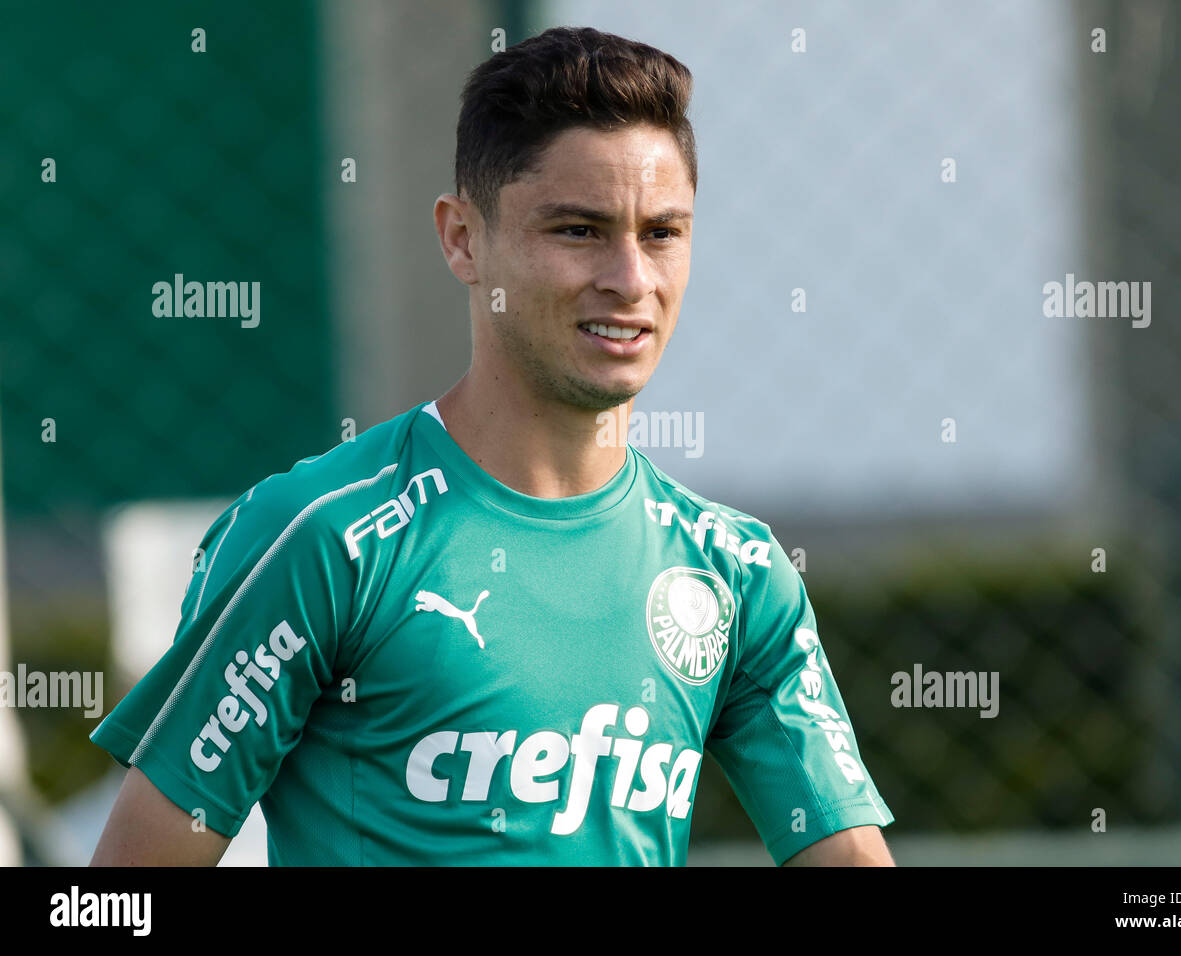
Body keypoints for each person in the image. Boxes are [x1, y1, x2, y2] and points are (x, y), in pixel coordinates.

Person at [89, 25, 895, 866]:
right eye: (578, 231)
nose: (631, 280)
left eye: (662, 233)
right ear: (462, 239)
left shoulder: (735, 572)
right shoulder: (323, 538)